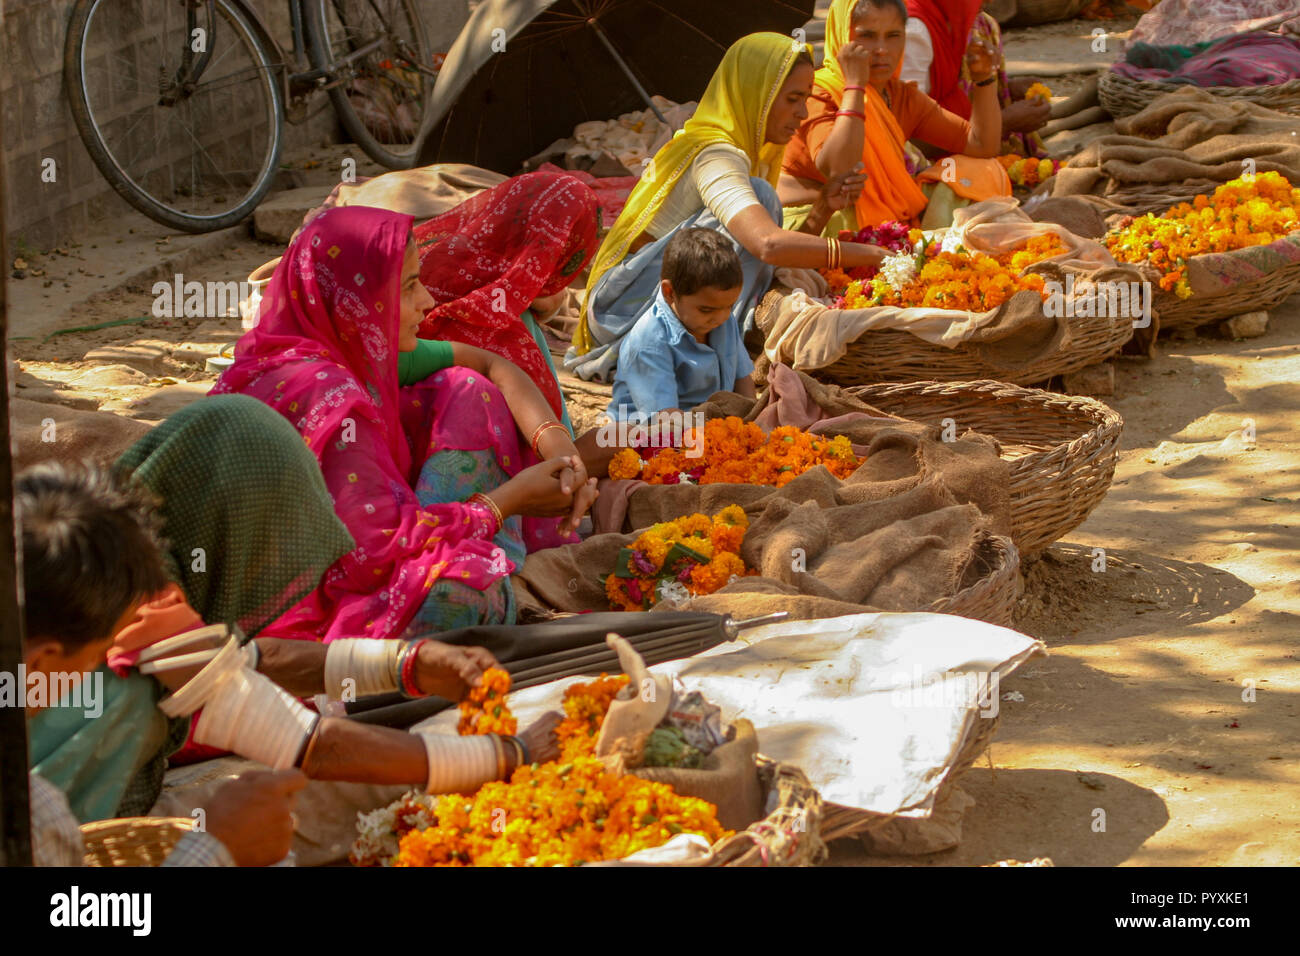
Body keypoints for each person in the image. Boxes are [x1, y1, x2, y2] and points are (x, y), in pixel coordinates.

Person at [22, 448, 562, 831]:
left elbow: (251, 658)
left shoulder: (107, 583)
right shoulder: (124, 651)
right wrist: (506, 753)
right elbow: (312, 746)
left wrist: (405, 664)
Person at [213, 205, 599, 636]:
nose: (428, 301)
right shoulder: (330, 396)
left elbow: (491, 366)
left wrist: (564, 454)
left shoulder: (345, 345)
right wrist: (503, 503)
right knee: (466, 593)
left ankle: (461, 547)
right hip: (280, 597)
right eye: (410, 287)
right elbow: (371, 553)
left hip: (320, 550)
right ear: (356, 298)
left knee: (466, 388)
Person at [17, 461, 304, 865]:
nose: (90, 677)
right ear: (41, 664)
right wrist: (215, 850)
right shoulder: (33, 817)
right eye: (93, 659)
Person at [566, 32, 889, 382]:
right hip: (623, 313)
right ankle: (685, 354)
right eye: (793, 99)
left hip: (654, 300)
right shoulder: (716, 155)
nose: (801, 113)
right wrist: (874, 255)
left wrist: (823, 208)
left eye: (805, 99)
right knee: (761, 196)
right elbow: (766, 244)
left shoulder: (746, 155)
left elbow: (766, 255)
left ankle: (710, 344)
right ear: (757, 96)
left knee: (760, 200)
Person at [780, 0, 1010, 233]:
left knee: (982, 169)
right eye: (867, 36)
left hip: (884, 216)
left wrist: (984, 80)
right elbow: (840, 169)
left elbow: (982, 145)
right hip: (819, 221)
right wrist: (855, 87)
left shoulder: (899, 94)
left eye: (893, 36)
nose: (882, 49)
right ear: (841, 37)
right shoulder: (819, 93)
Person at [608, 228, 754, 421]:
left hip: (705, 424)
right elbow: (664, 418)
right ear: (669, 293)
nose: (721, 317)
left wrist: (751, 422)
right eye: (706, 310)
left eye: (730, 306)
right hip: (651, 430)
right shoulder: (649, 342)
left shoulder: (723, 318)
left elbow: (743, 380)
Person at [900, 0, 1051, 158]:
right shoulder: (914, 33)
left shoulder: (971, 24)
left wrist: (1004, 88)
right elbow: (909, 141)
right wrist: (1004, 123)